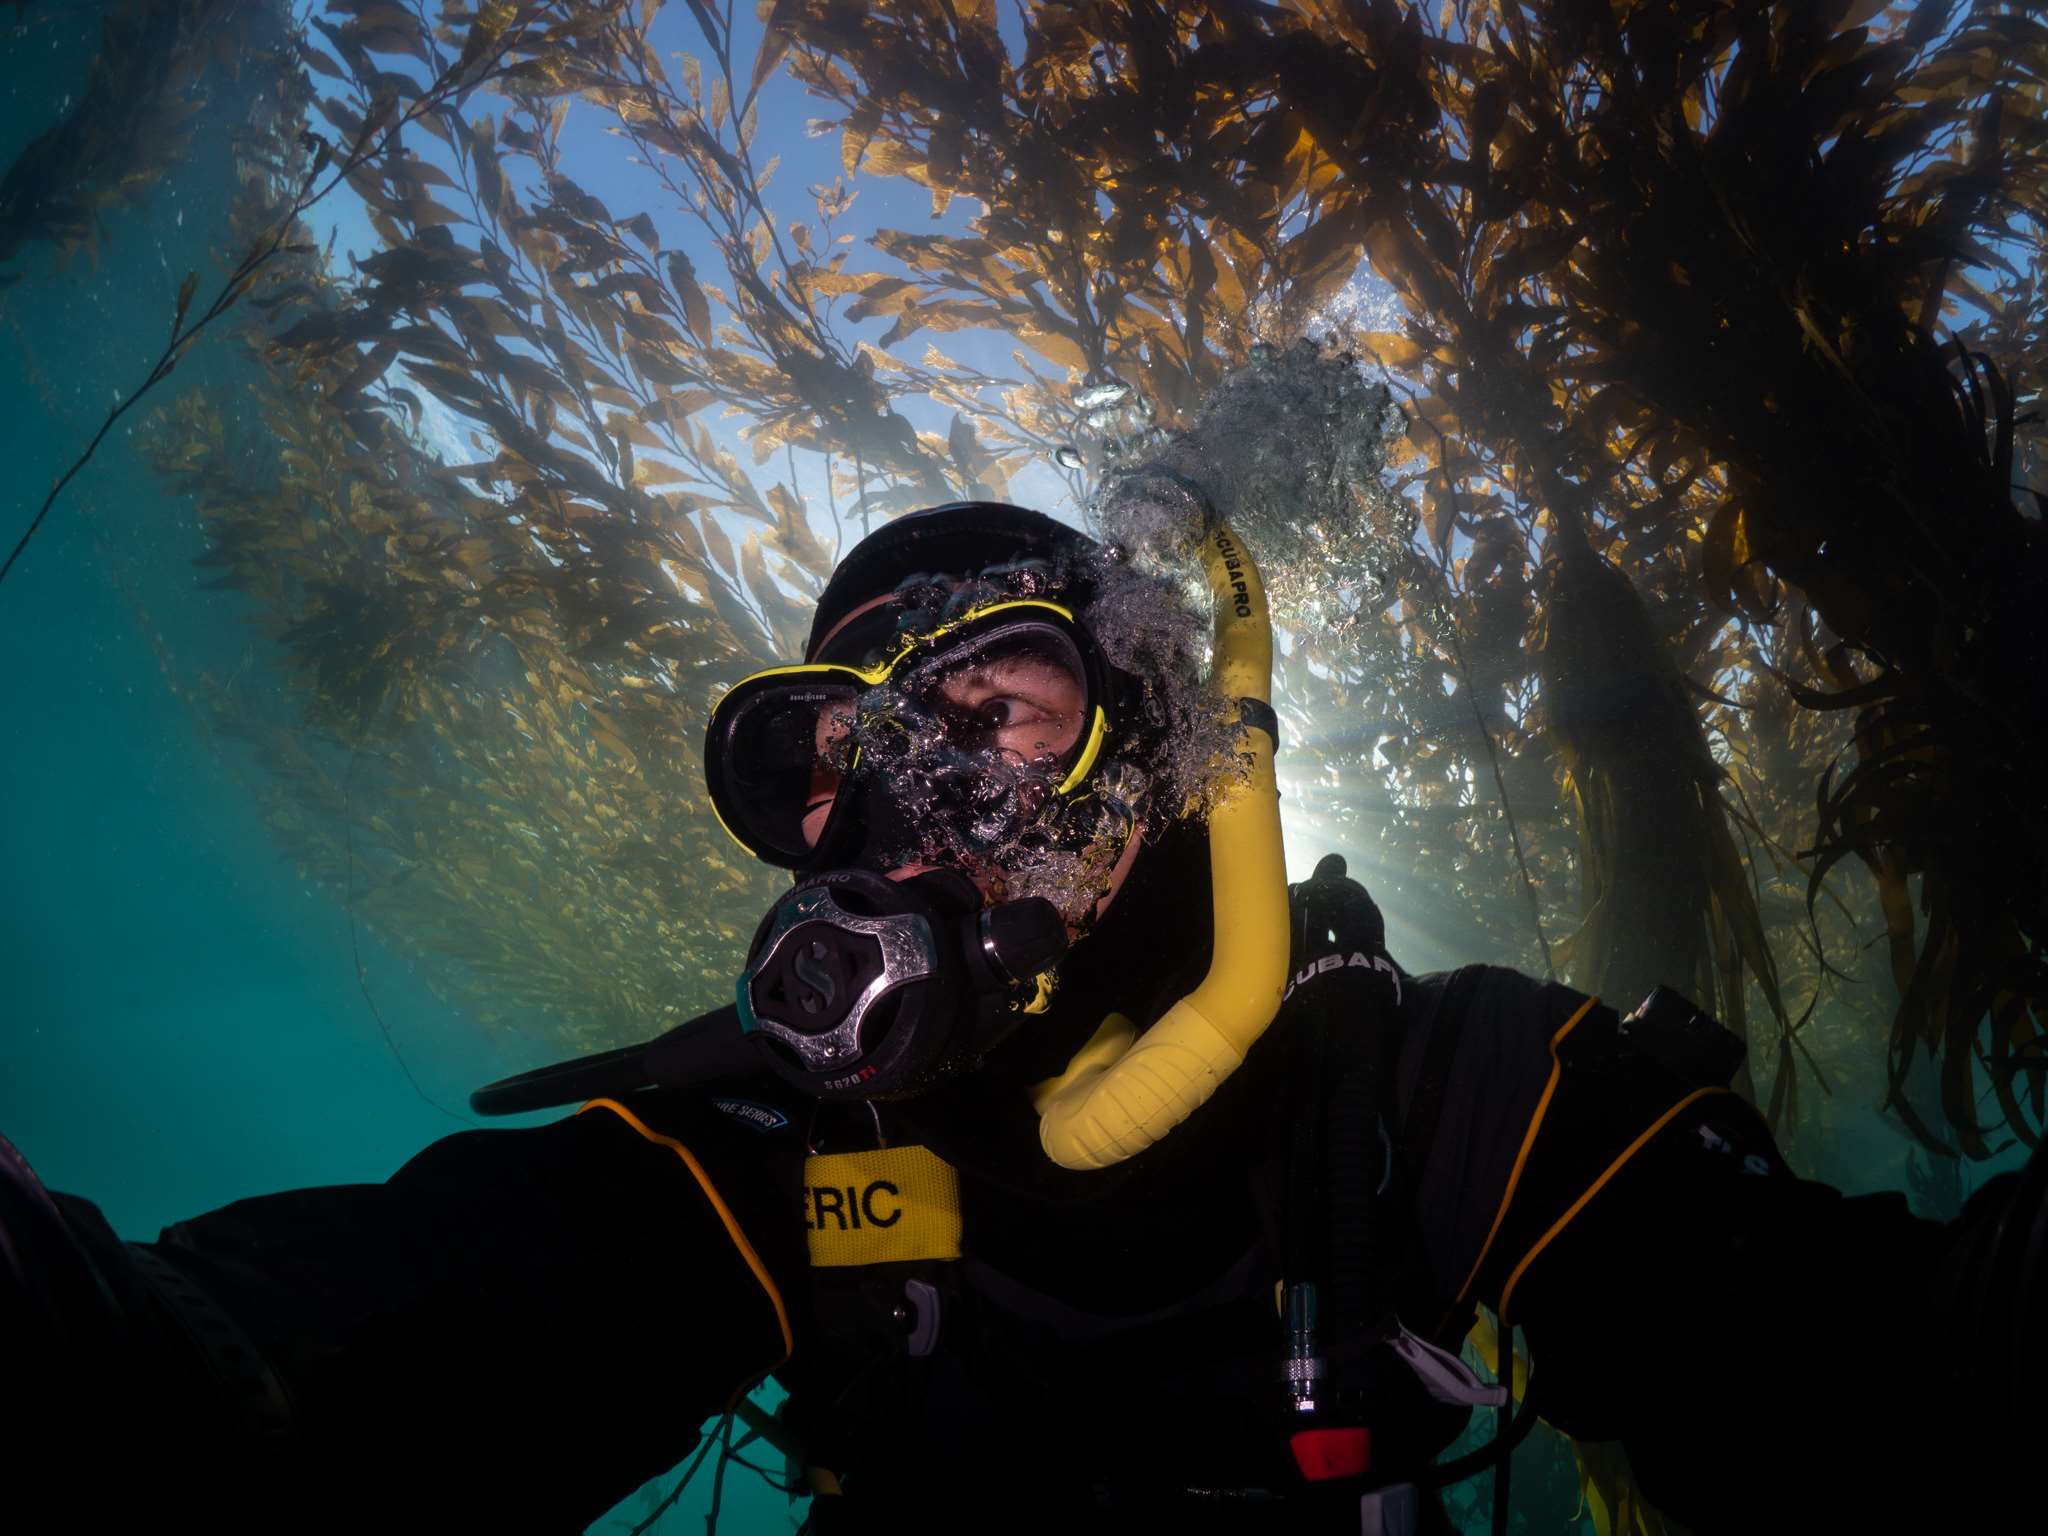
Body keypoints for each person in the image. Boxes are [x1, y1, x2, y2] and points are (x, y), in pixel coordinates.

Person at [3, 498, 2036, 1536]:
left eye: (1001, 712)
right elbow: (397, 1334)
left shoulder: (1428, 1088)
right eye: (851, 759)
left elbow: (1887, 1375)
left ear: (1158, 758)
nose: (929, 805)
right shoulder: (815, 1164)